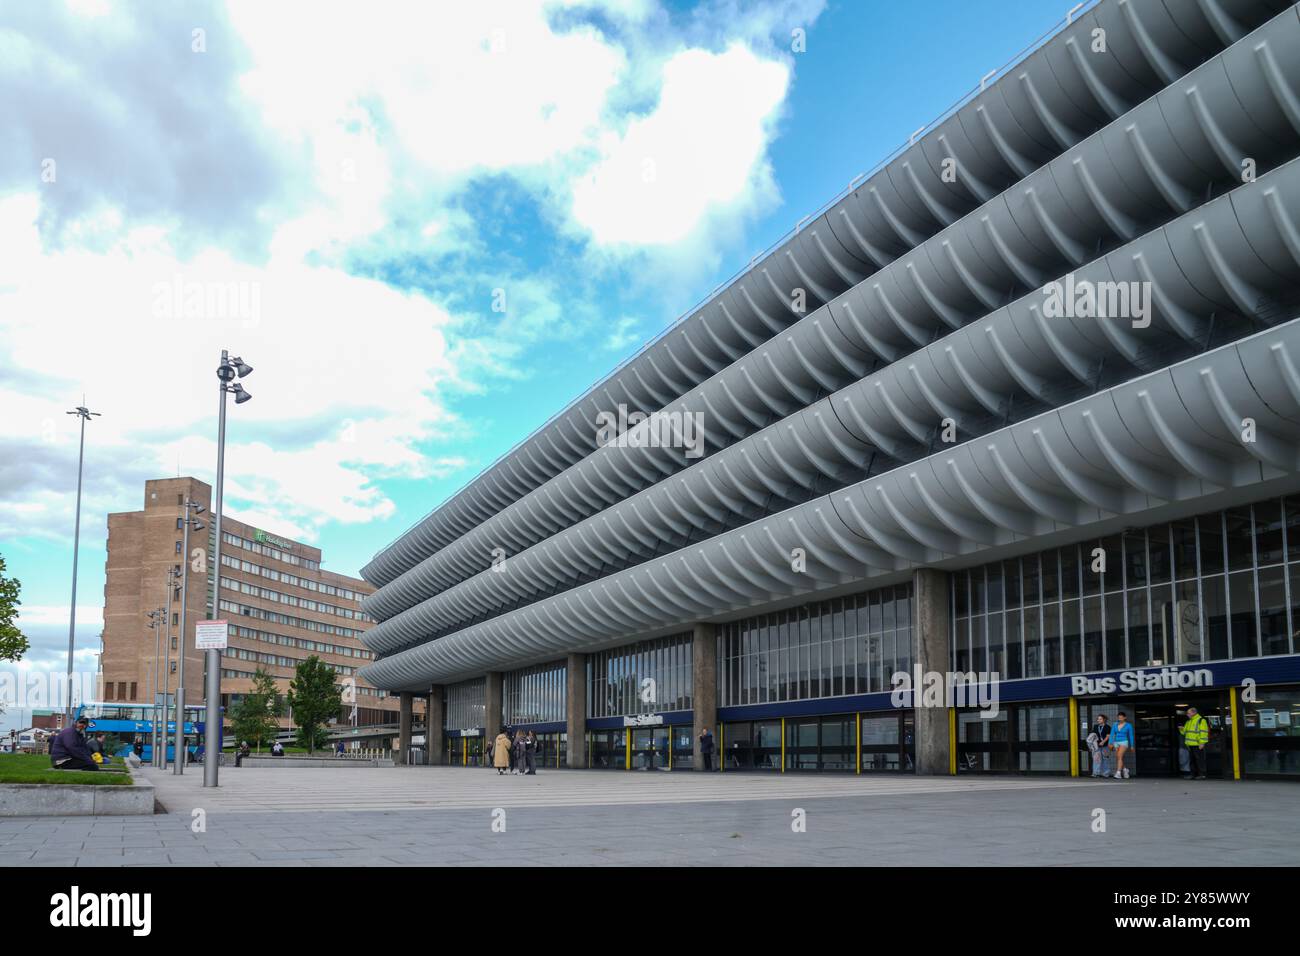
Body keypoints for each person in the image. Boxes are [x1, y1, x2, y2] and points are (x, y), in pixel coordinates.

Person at [1181, 706, 1210, 780]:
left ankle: (1202, 774)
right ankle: (1193, 774)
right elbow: (1184, 732)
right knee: (1192, 760)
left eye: (1188, 713)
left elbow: (1203, 732)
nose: (1187, 714)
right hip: (1190, 744)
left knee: (1199, 760)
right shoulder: (1188, 721)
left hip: (1198, 744)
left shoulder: (1201, 720)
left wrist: (1202, 743)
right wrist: (1181, 729)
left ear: (1194, 713)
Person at [1111, 711, 1134, 779]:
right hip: (1116, 742)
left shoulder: (1128, 725)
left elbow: (1131, 736)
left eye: (1121, 718)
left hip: (1124, 742)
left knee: (1119, 756)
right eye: (1119, 718)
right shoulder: (1115, 724)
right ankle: (1125, 770)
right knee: (1118, 757)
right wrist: (1111, 743)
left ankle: (1118, 773)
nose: (1120, 719)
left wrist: (1132, 745)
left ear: (1125, 718)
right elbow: (1112, 734)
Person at [1091, 713, 1112, 778]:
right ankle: (1095, 773)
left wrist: (1103, 742)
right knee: (1096, 759)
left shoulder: (1107, 727)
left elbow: (1108, 736)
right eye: (1098, 719)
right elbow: (1093, 735)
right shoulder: (1095, 726)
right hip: (1097, 745)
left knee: (1105, 759)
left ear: (1104, 720)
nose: (1098, 720)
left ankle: (1106, 773)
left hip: (1105, 745)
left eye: (1100, 719)